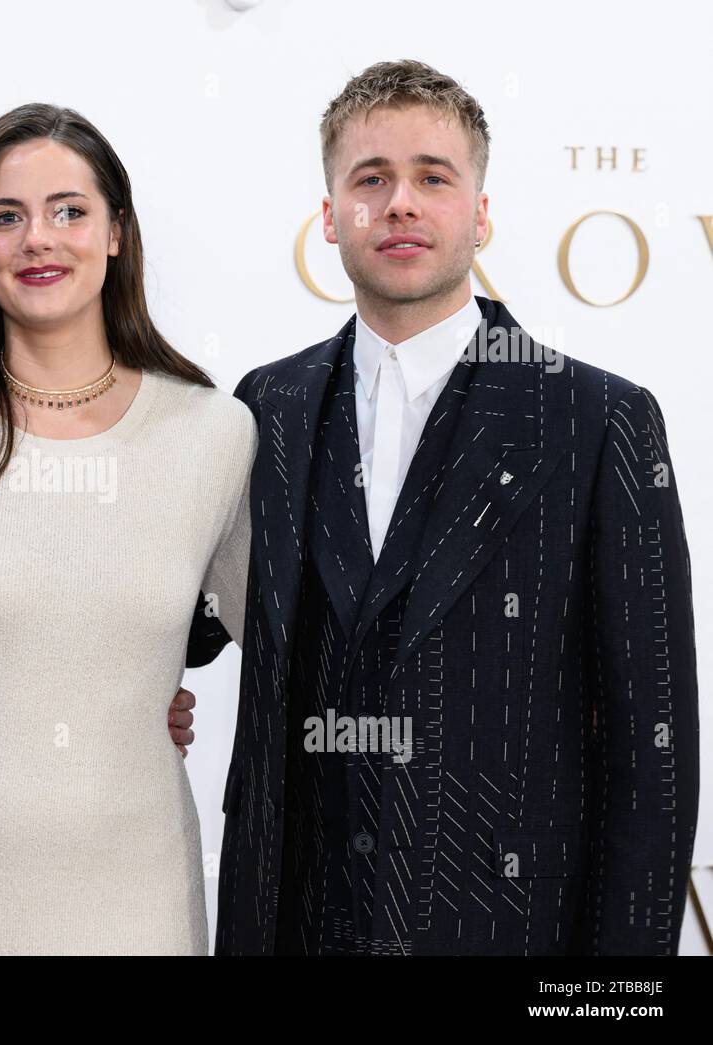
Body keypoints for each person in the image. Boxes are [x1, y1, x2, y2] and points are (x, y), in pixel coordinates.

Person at [210, 59, 699, 955]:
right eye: (371, 179)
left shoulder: (597, 419)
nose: (401, 203)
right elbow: (185, 614)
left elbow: (651, 753)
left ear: (480, 215)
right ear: (329, 218)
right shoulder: (264, 408)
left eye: (433, 177)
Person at [0, 103, 257, 954]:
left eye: (70, 210)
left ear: (116, 232)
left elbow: (293, 662)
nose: (40, 237)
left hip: (137, 890)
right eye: (7, 217)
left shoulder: (213, 434)